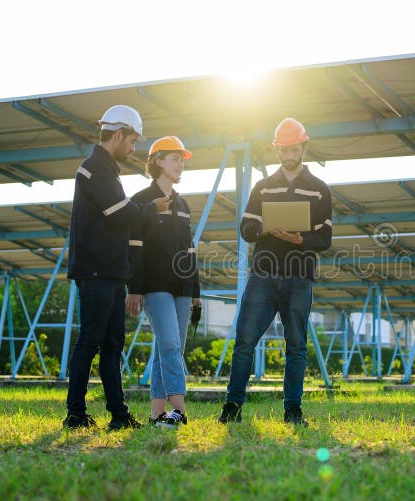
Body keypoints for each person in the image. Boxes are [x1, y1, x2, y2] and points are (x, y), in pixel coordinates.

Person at [64, 105, 172, 431]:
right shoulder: (94, 168)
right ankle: (75, 413)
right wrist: (151, 207)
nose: (134, 148)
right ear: (119, 134)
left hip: (109, 272)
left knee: (112, 345)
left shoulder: (106, 169)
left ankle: (119, 415)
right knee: (91, 341)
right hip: (95, 271)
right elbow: (119, 211)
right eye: (132, 140)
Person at [218, 118, 332, 426]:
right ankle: (233, 406)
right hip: (263, 277)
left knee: (296, 346)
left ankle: (292, 410)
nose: (288, 153)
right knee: (244, 341)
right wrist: (266, 227)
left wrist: (300, 239)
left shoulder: (319, 190)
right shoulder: (263, 187)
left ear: (303, 148)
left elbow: (325, 238)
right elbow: (246, 228)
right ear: (277, 150)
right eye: (283, 148)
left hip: (299, 278)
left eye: (294, 148)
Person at [125, 136, 201, 429]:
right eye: (175, 159)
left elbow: (190, 251)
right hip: (154, 286)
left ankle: (157, 413)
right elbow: (134, 247)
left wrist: (196, 292)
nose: (180, 164)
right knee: (169, 343)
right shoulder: (141, 201)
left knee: (166, 349)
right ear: (157, 161)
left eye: (182, 160)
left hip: (182, 287)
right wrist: (134, 288)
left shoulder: (183, 205)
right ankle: (179, 411)